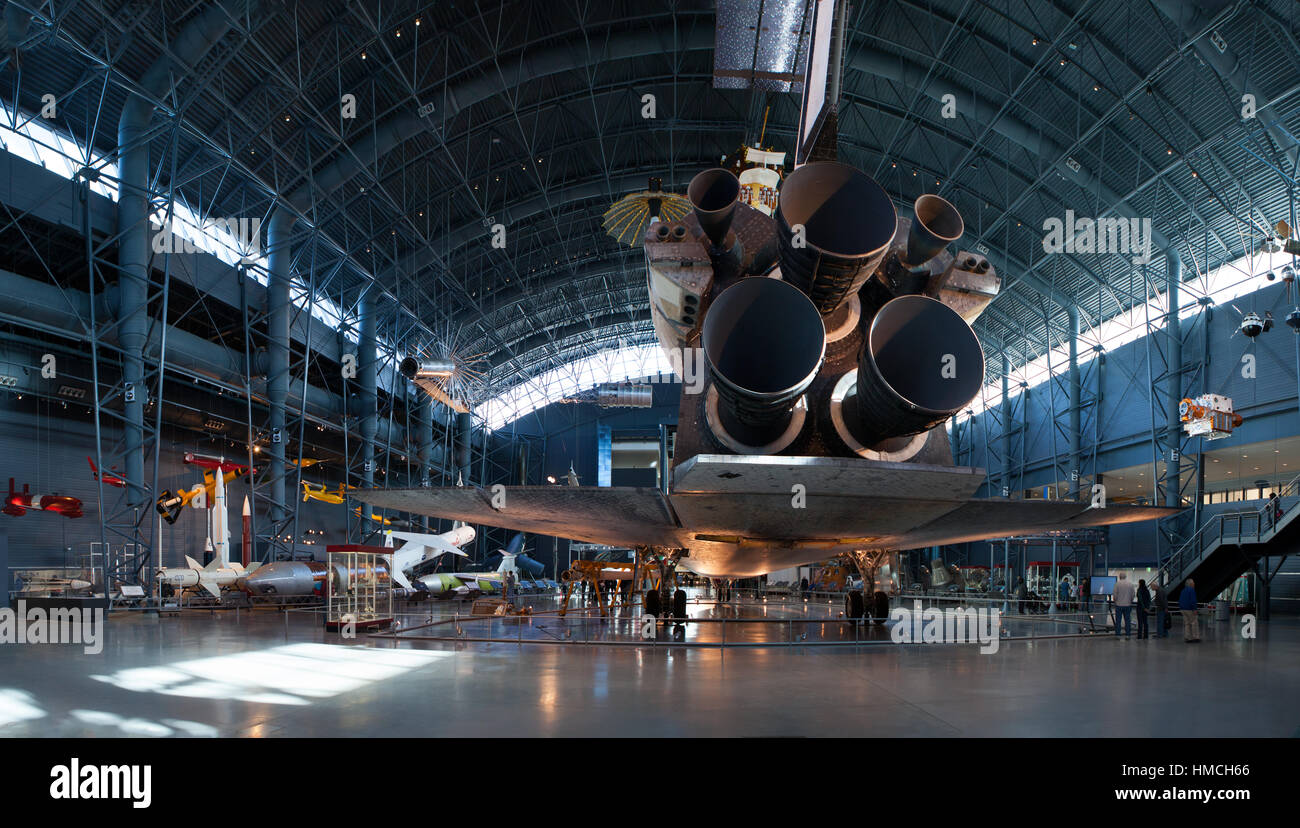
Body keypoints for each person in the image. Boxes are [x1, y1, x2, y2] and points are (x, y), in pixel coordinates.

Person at [1112, 572, 1135, 638]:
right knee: (1127, 621)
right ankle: (1128, 634)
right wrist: (1130, 601)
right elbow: (1133, 594)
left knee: (1118, 621)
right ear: (1125, 577)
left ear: (1119, 577)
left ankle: (1118, 635)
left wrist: (1115, 602)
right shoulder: (1130, 584)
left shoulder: (1117, 584)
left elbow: (1115, 595)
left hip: (1119, 605)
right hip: (1128, 605)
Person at [1180, 578, 1200, 642]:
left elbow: (1180, 600)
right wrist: (1194, 609)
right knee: (1194, 622)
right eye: (1193, 583)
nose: (1194, 584)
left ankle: (1188, 637)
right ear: (1191, 584)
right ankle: (1195, 637)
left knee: (1187, 623)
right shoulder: (1191, 590)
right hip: (1189, 609)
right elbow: (1193, 600)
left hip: (1183, 609)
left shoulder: (1183, 590)